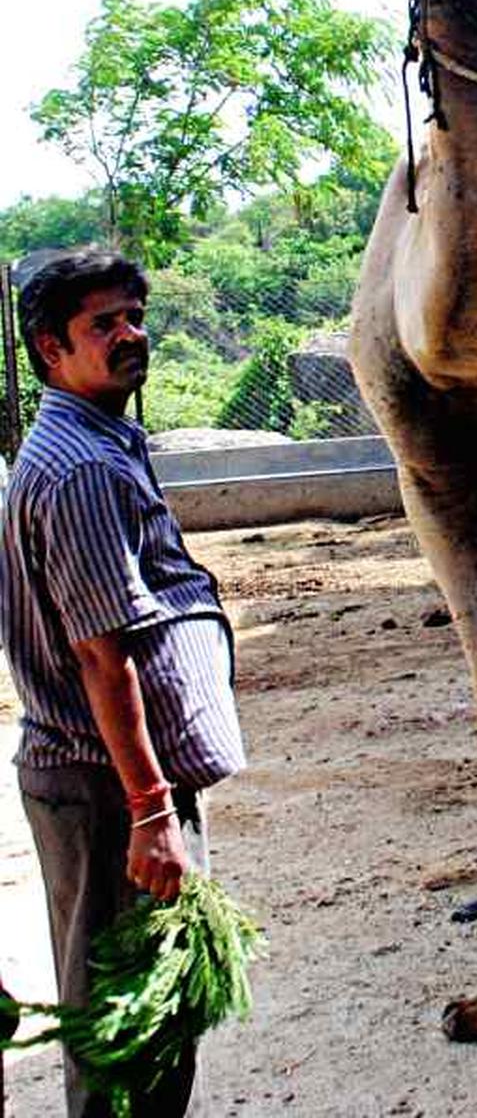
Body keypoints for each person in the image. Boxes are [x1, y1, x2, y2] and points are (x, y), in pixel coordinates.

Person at [0, 250, 245, 1117]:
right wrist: (149, 812)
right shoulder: (83, 472)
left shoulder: (96, 444)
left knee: (145, 1022)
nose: (130, 334)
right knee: (129, 1037)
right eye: (102, 325)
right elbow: (106, 658)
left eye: (134, 316)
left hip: (110, 782)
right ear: (49, 352)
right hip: (107, 792)